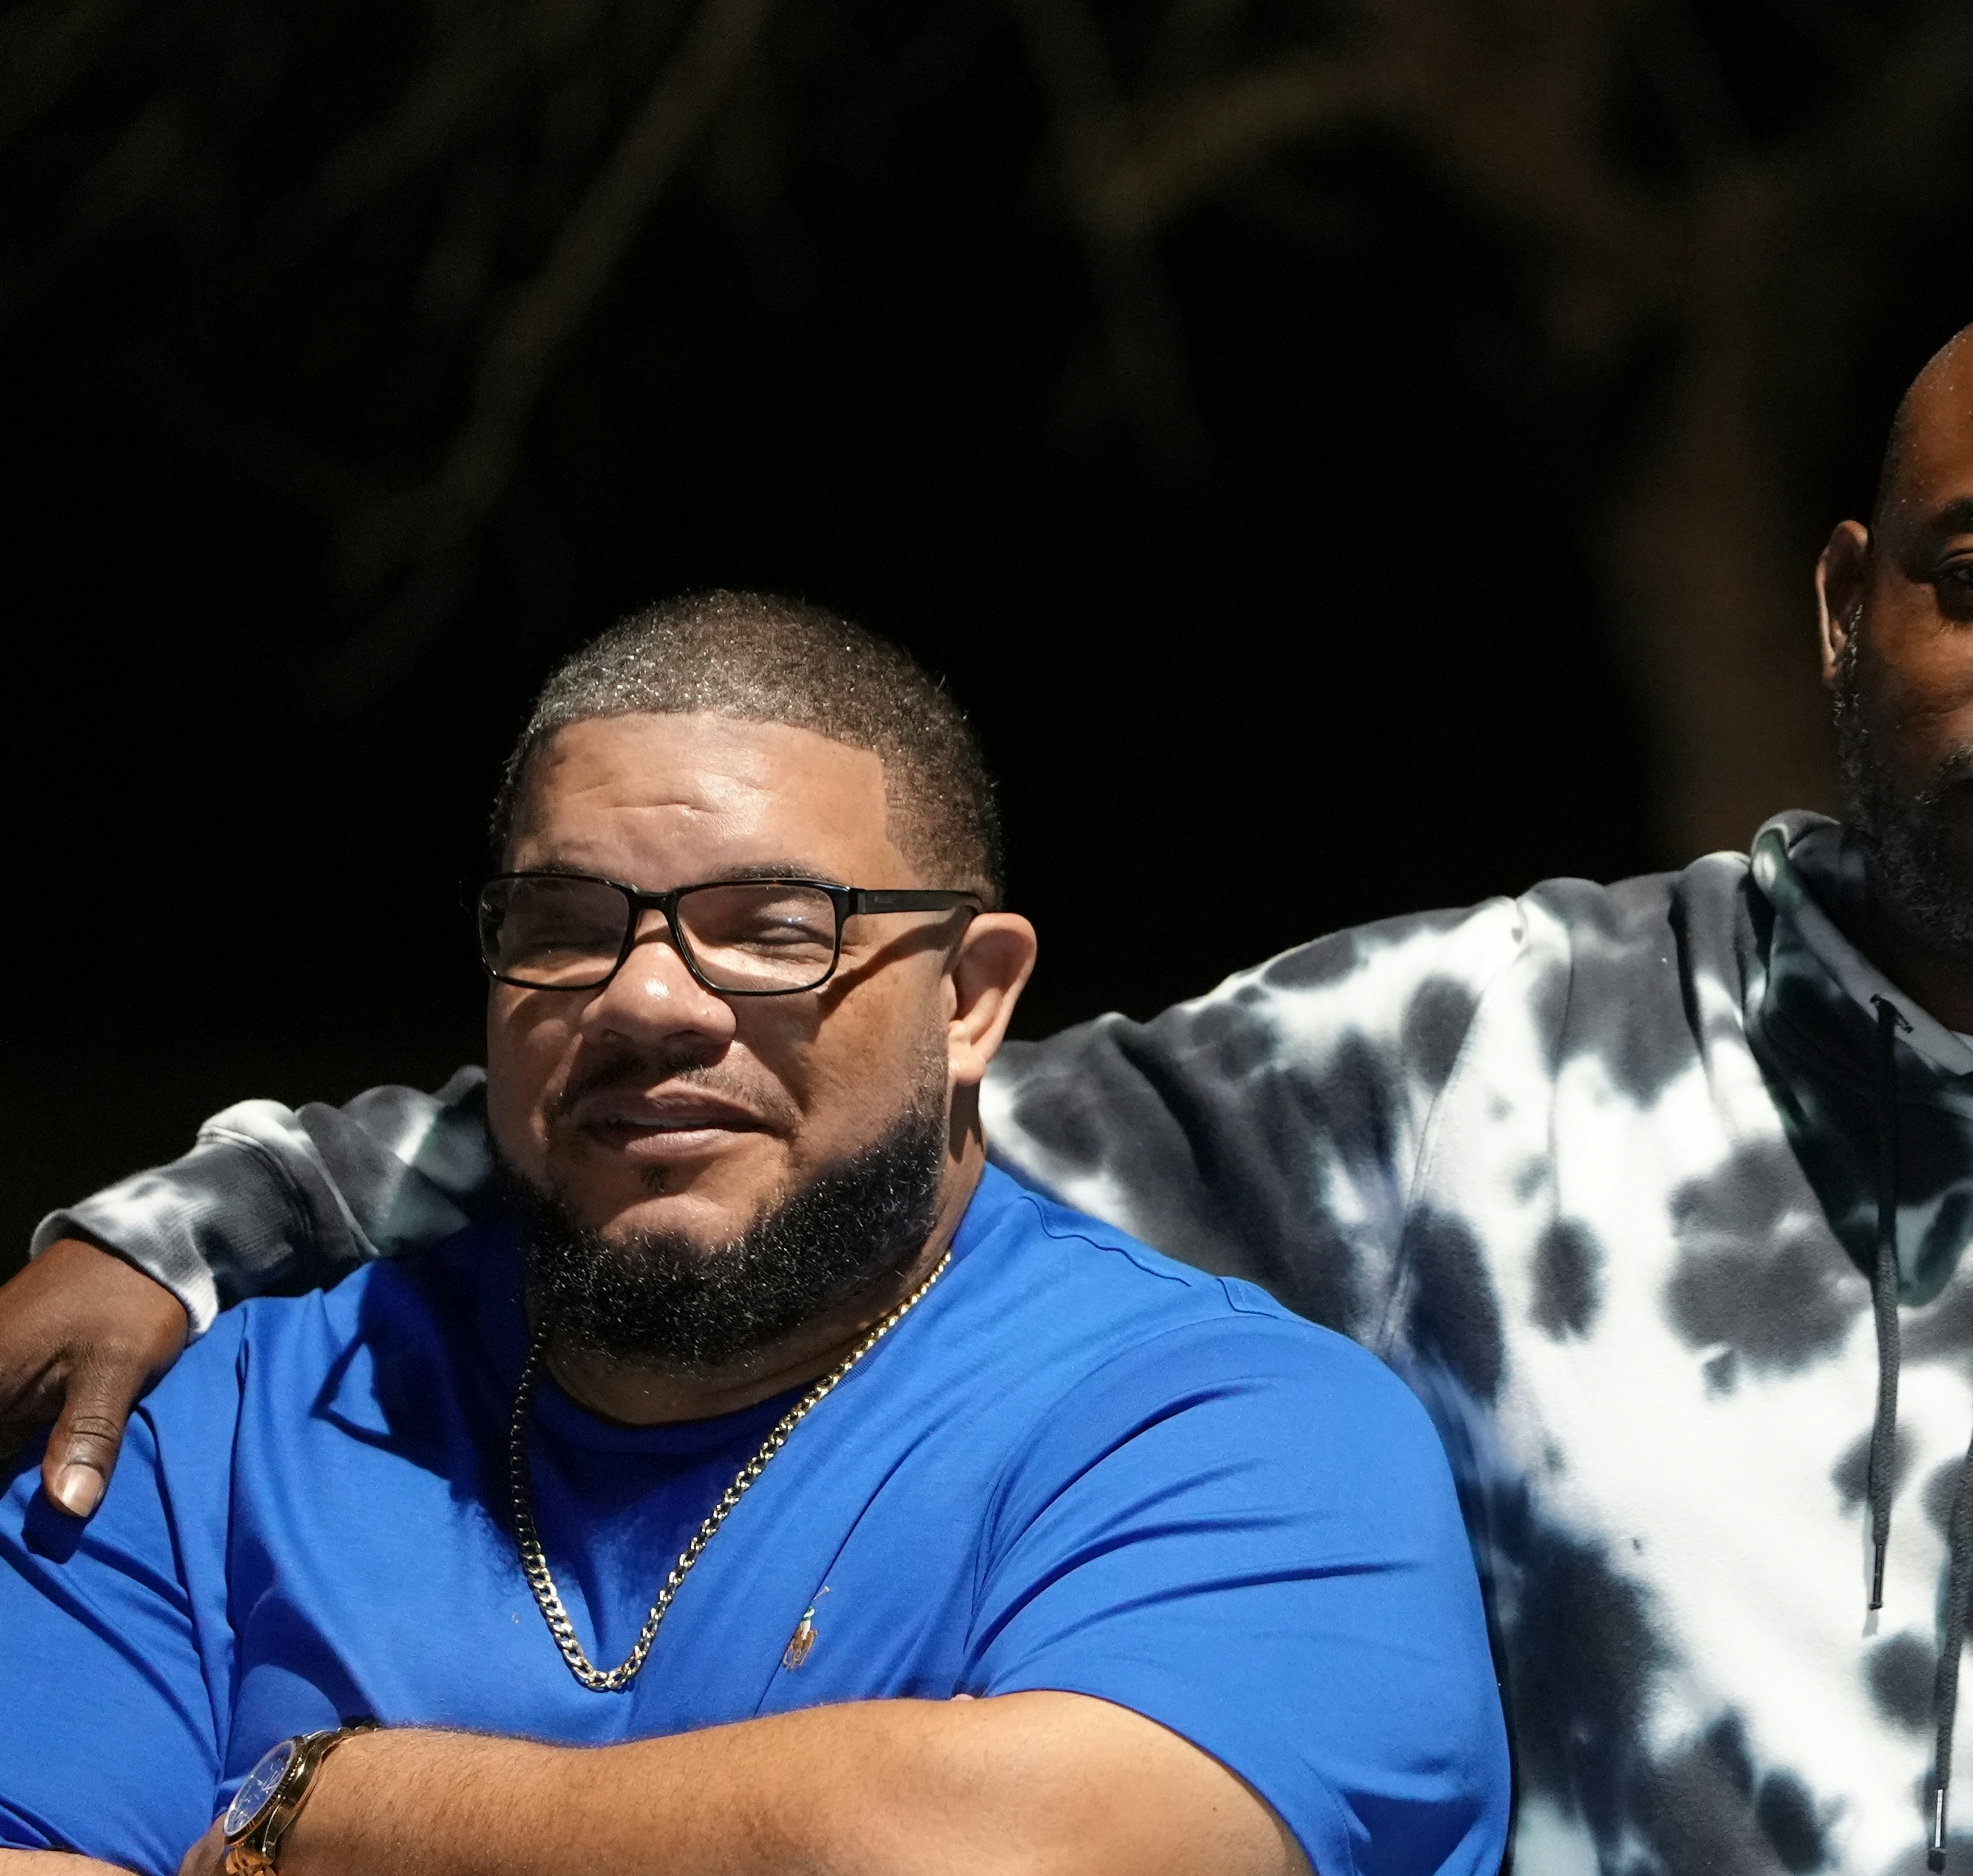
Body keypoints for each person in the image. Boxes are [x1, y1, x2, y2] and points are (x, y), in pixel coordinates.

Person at [9, 272, 1973, 1873]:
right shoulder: (1501, 1058)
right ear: (1849, 608)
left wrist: (335, 1828)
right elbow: (785, 1088)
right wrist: (206, 1215)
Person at [0, 597, 1507, 1876]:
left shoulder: (1224, 1427)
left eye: (776, 927)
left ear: (970, 998)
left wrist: (324, 1811)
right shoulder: (223, 1421)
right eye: (567, 923)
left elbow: (1017, 1850)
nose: (646, 1000)